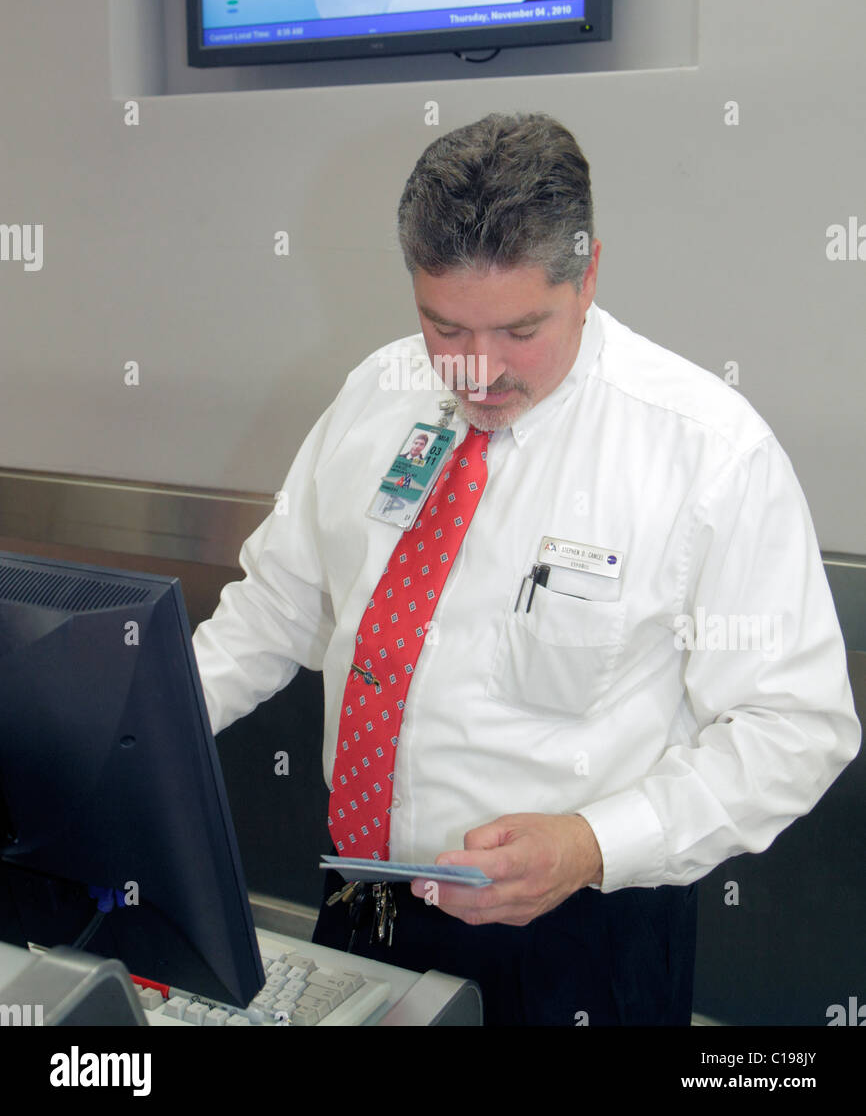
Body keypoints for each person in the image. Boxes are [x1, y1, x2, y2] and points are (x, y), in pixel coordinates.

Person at [192, 111, 861, 1026]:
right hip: (363, 903)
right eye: (444, 326)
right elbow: (274, 610)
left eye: (518, 330)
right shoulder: (379, 393)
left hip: (579, 939)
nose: (476, 370)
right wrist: (133, 730)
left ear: (587, 277)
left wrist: (590, 844)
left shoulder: (706, 453)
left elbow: (797, 728)